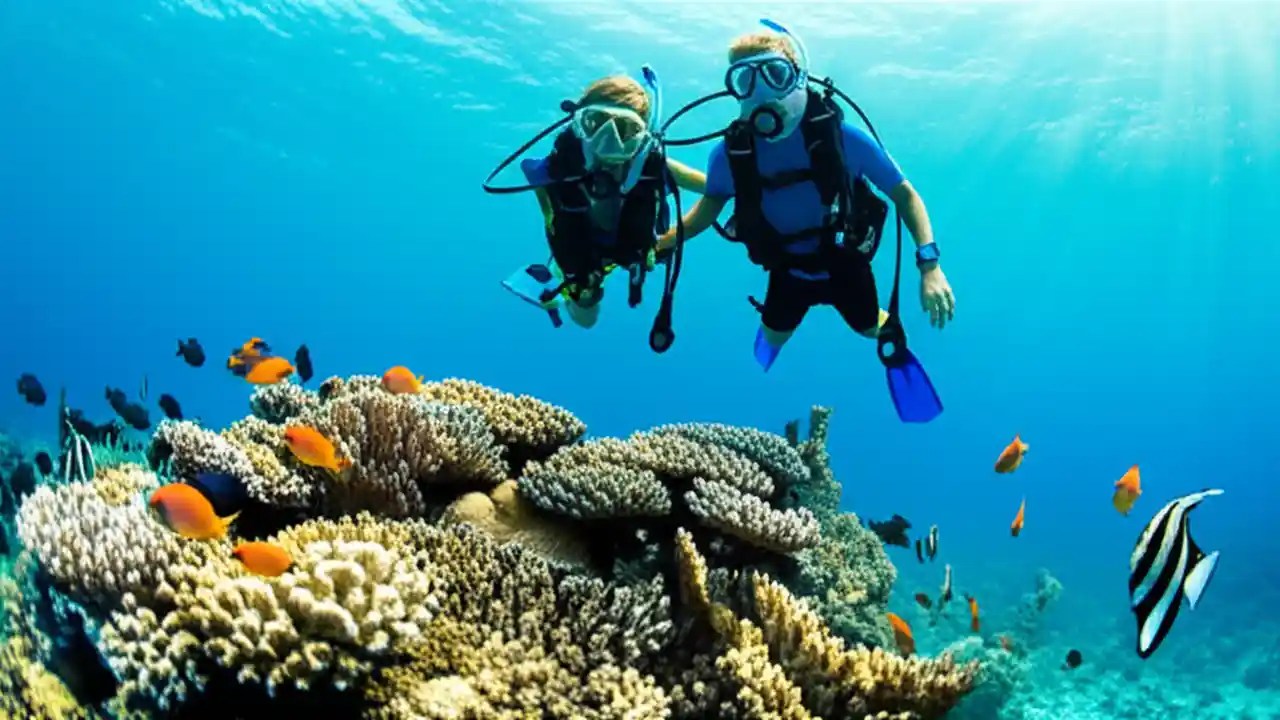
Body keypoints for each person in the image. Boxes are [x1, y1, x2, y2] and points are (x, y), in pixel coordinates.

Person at [657, 20, 955, 422]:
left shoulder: (845, 139)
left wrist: (930, 265)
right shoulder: (729, 156)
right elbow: (702, 215)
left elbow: (905, 195)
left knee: (868, 326)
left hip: (845, 262)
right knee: (774, 334)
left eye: (774, 74)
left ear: (798, 77)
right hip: (787, 270)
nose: (760, 91)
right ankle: (759, 373)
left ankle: (889, 338)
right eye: (745, 80)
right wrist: (660, 243)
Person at [484, 71, 705, 336]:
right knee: (585, 316)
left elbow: (718, 189)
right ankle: (566, 287)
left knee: (586, 315)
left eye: (625, 129)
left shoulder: (656, 168)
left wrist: (663, 241)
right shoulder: (555, 170)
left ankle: (571, 282)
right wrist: (571, 261)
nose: (607, 141)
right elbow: (551, 218)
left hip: (633, 245)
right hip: (582, 247)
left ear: (643, 138)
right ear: (577, 124)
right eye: (595, 123)